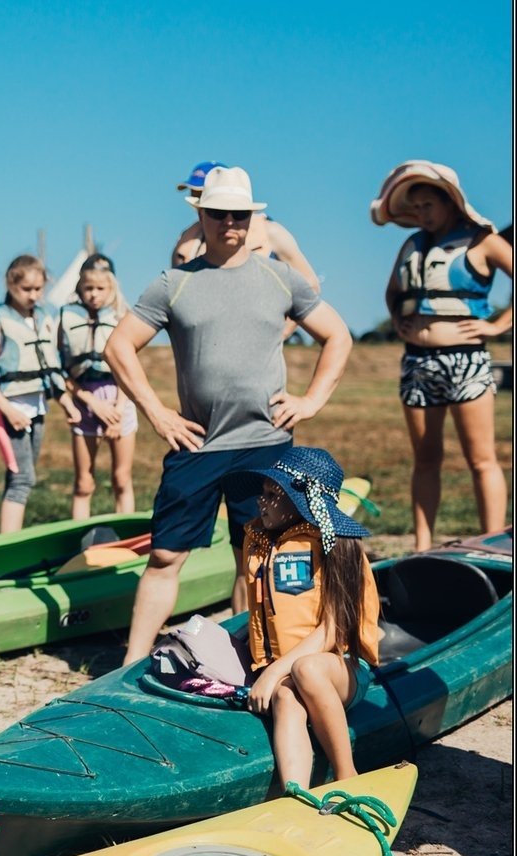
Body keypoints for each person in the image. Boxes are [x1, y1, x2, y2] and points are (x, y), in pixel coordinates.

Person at [105, 166, 353, 665]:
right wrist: (156, 414)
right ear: (201, 214)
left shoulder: (278, 277)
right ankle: (128, 667)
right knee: (165, 556)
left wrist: (310, 401)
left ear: (251, 217)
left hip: (265, 444)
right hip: (196, 444)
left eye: (239, 214)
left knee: (256, 557)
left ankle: (253, 657)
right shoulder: (173, 284)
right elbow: (117, 346)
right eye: (218, 214)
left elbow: (338, 335)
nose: (230, 223)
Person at [371, 160, 513, 550]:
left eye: (428, 205)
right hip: (418, 361)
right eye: (415, 208)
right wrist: (399, 318)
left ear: (450, 202)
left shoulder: (483, 241)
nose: (421, 214)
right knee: (426, 457)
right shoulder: (412, 245)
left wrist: (498, 325)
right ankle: (422, 543)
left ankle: (492, 543)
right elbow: (392, 290)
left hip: (466, 360)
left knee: (480, 457)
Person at [237, 447, 380, 790]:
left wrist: (273, 672)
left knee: (307, 669)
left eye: (275, 495)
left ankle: (348, 777)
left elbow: (335, 628)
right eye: (264, 493)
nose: (263, 503)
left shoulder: (336, 544)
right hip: (285, 671)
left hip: (340, 668)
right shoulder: (257, 540)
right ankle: (295, 795)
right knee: (286, 696)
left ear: (302, 504)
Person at [0, 255, 75, 533]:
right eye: (26, 289)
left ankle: (7, 535)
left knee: (18, 476)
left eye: (38, 289)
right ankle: (9, 545)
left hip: (37, 408)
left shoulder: (44, 318)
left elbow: (51, 367)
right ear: (10, 284)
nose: (33, 296)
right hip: (9, 411)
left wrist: (67, 402)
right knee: (23, 478)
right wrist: (8, 410)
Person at [171, 160, 320, 340]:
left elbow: (310, 284)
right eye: (193, 193)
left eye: (200, 193)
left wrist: (281, 334)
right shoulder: (185, 243)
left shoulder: (270, 232)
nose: (195, 200)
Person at [58, 253, 137, 519]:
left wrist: (117, 413)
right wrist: (91, 402)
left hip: (119, 400)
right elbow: (62, 371)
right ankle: (78, 540)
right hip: (85, 401)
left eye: (100, 288)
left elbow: (128, 370)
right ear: (79, 287)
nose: (93, 294)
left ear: (112, 287)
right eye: (88, 288)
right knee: (83, 482)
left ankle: (127, 534)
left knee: (121, 478)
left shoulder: (123, 317)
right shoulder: (66, 319)